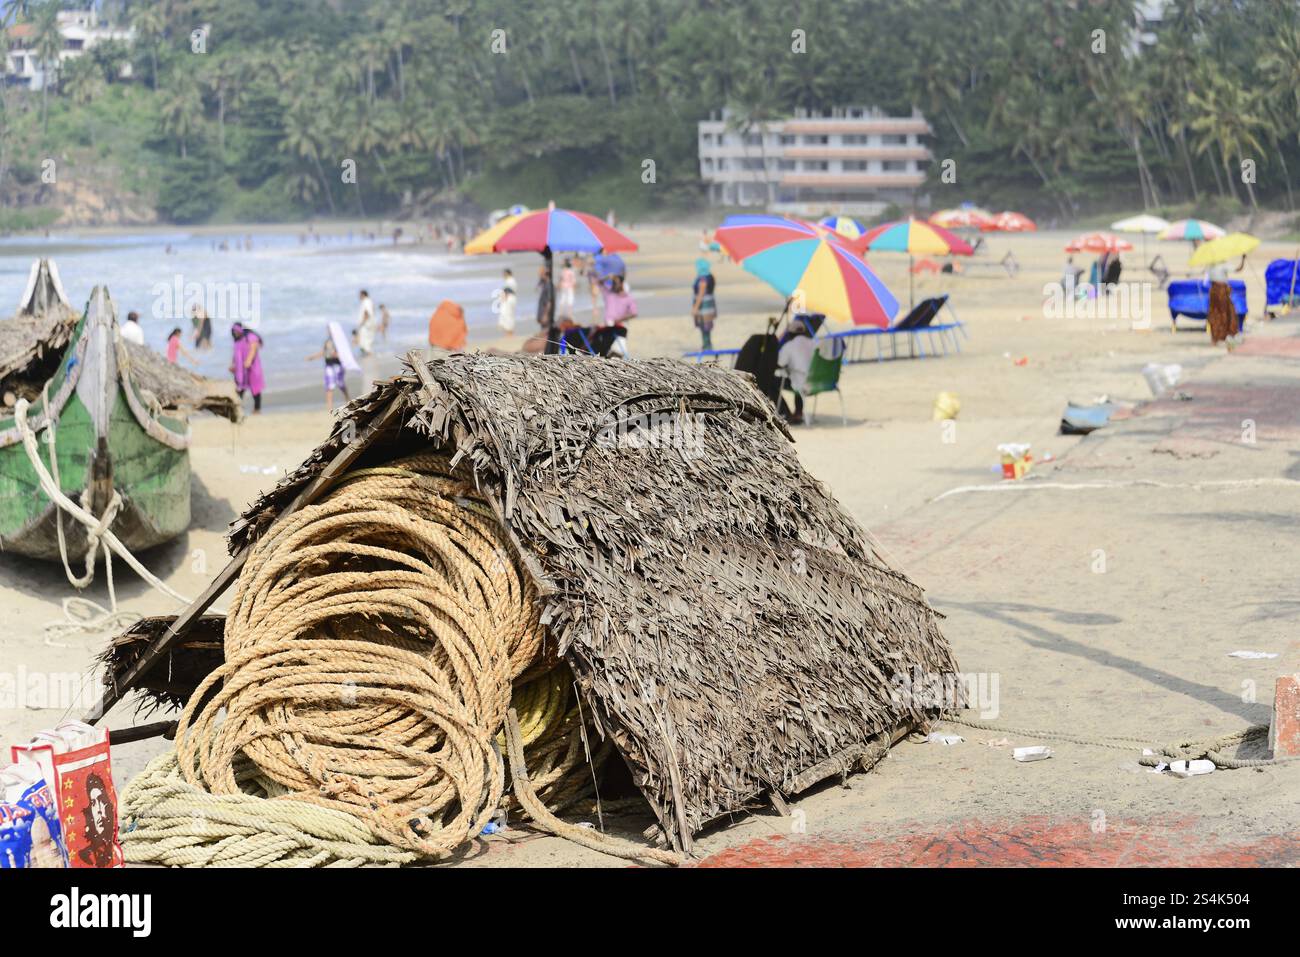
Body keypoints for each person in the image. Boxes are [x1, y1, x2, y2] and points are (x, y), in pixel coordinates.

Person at [776, 314, 823, 425]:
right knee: (797, 376)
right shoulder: (815, 343)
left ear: (790, 334)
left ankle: (785, 412)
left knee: (773, 382)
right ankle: (798, 412)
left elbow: (780, 363)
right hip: (817, 382)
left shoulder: (789, 345)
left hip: (802, 384)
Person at [305, 327, 350, 410]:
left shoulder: (339, 342)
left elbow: (344, 354)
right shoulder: (327, 342)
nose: (329, 332)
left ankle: (348, 400)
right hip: (329, 365)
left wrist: (337, 355)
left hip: (338, 365)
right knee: (329, 385)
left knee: (341, 385)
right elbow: (323, 352)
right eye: (328, 330)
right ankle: (329, 407)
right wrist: (312, 357)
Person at [230, 322, 265, 413]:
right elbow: (235, 354)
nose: (235, 333)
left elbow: (254, 348)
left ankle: (257, 409)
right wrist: (233, 364)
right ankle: (236, 408)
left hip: (252, 366)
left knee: (255, 388)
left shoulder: (250, 336)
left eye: (236, 331)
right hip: (241, 369)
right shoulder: (237, 340)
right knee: (239, 388)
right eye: (233, 332)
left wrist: (249, 360)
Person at [691, 258, 718, 350]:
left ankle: (707, 345)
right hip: (709, 304)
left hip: (704, 306)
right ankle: (706, 344)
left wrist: (695, 307)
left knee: (704, 325)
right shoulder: (710, 276)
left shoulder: (703, 278)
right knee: (706, 325)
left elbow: (701, 293)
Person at [356, 289, 376, 356]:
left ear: (363, 295)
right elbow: (373, 310)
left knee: (364, 339)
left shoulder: (366, 301)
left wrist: (362, 322)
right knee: (367, 339)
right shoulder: (369, 301)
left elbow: (367, 312)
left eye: (359, 295)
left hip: (366, 324)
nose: (359, 297)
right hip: (369, 322)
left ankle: (368, 355)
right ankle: (367, 354)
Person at [498, 268, 517, 334]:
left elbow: (508, 290)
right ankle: (509, 331)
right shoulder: (511, 280)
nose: (503, 275)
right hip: (510, 299)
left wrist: (504, 298)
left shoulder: (510, 280)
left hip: (508, 299)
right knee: (508, 315)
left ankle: (509, 332)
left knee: (507, 315)